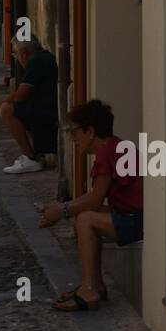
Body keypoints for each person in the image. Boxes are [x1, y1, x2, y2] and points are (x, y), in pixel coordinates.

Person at [37, 98, 143, 312]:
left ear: (90, 131)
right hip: (133, 215)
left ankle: (89, 289)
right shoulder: (117, 146)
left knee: (85, 219)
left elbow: (95, 198)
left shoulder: (106, 153)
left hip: (135, 221)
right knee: (84, 215)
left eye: (75, 133)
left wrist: (61, 211)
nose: (74, 140)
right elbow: (94, 199)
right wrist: (62, 208)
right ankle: (96, 285)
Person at [0, 34, 58, 174]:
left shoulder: (35, 62)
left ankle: (30, 158)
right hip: (47, 109)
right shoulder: (43, 57)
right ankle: (35, 154)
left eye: (15, 54)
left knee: (7, 109)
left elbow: (20, 95)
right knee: (14, 108)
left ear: (24, 53)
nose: (17, 59)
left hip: (49, 114)